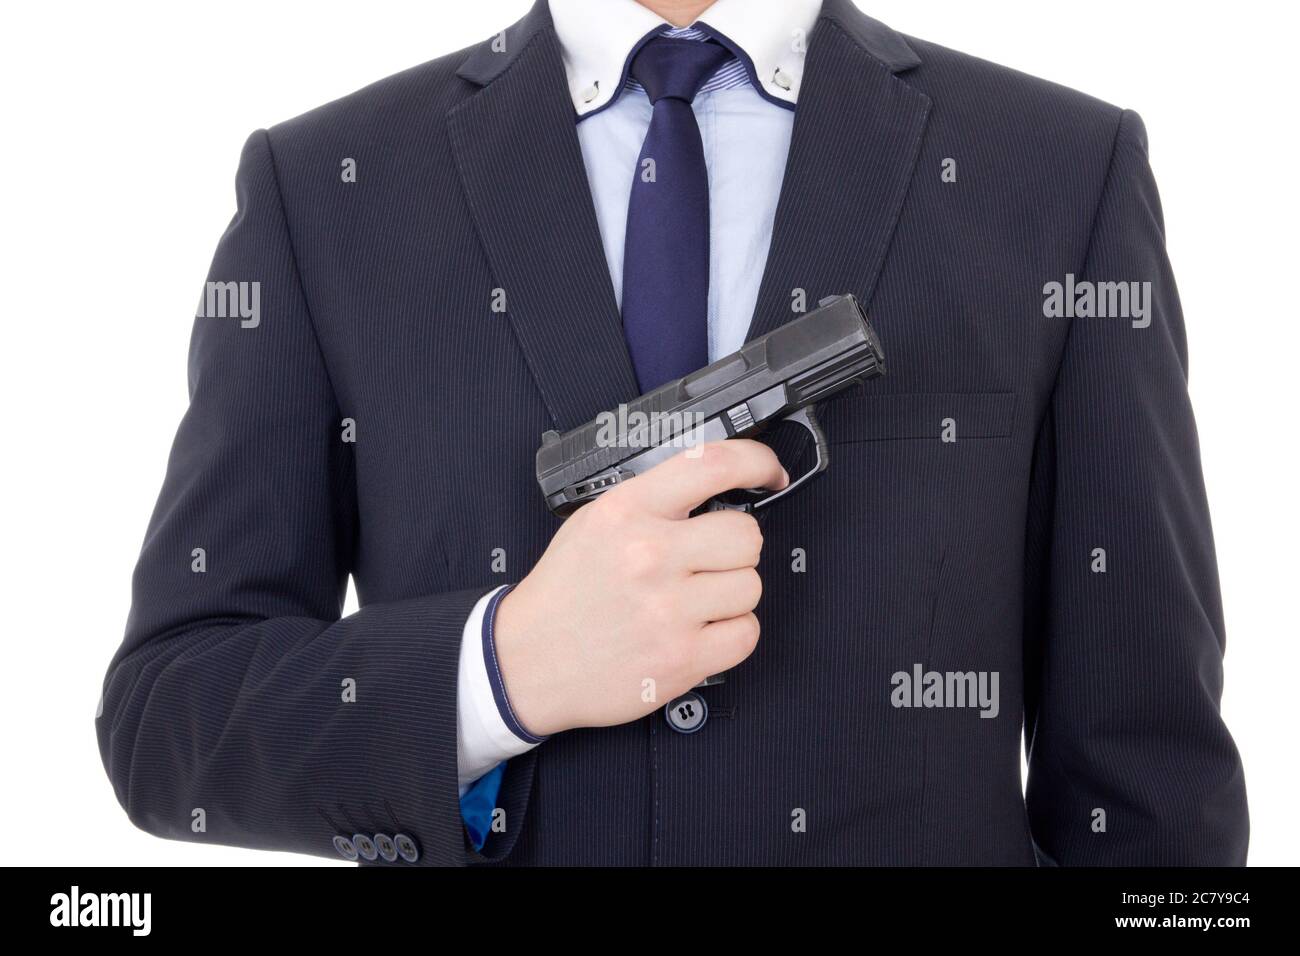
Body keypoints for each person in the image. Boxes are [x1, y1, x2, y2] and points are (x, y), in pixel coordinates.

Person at [97, 0, 1249, 865]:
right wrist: (499, 672)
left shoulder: (1056, 170)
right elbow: (168, 713)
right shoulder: (326, 190)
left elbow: (1150, 784)